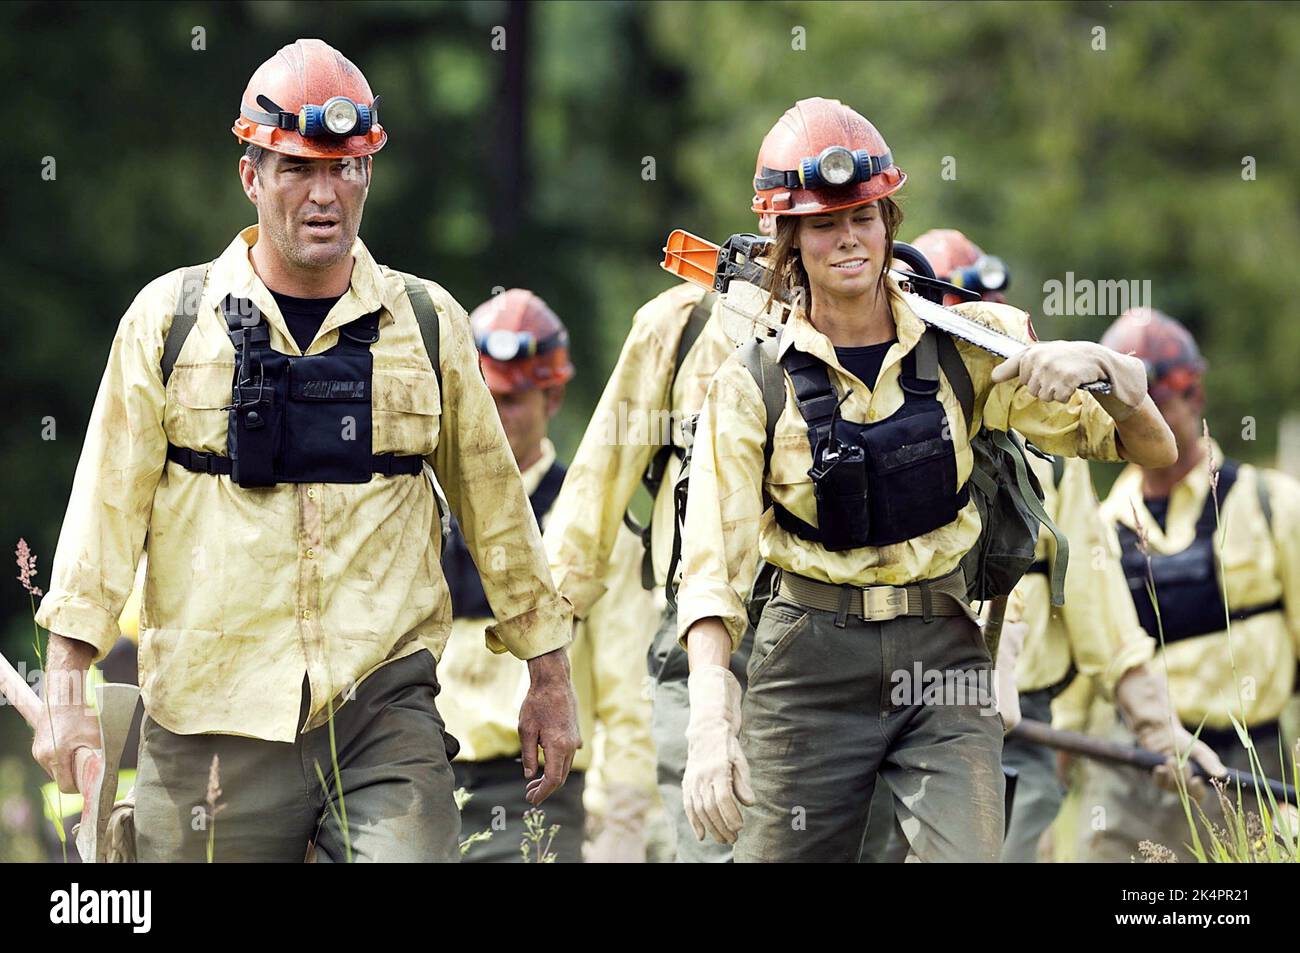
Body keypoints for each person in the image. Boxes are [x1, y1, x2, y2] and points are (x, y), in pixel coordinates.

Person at [31, 38, 578, 863]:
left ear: (368, 176)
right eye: (296, 169)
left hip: (380, 712)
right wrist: (69, 686)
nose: (323, 194)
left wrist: (549, 675)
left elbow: (499, 514)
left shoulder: (427, 326)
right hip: (211, 716)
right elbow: (100, 519)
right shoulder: (169, 322)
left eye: (344, 169)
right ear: (251, 176)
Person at [675, 97, 1177, 862]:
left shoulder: (969, 346)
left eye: (865, 216)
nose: (848, 237)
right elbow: (712, 570)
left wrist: (1111, 372)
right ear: (788, 243)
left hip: (941, 658)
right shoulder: (751, 385)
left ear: (889, 222)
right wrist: (712, 721)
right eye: (822, 223)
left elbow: (1152, 450)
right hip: (807, 663)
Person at [542, 270, 759, 862]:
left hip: (834, 634)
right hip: (698, 630)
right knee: (713, 840)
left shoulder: (878, 309)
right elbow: (598, 482)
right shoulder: (682, 327)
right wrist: (546, 647)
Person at [438, 289, 657, 863]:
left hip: (536, 793)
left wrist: (624, 823)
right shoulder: (423, 511)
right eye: (484, 396)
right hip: (421, 784)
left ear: (553, 396)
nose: (494, 414)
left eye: (511, 399)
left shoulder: (591, 527)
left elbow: (628, 691)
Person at [1072, 307, 1298, 862]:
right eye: (1124, 409)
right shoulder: (1100, 526)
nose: (1142, 421)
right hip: (1135, 777)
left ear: (1193, 394)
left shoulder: (1273, 506)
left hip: (1250, 771)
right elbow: (1082, 668)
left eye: (1156, 403)